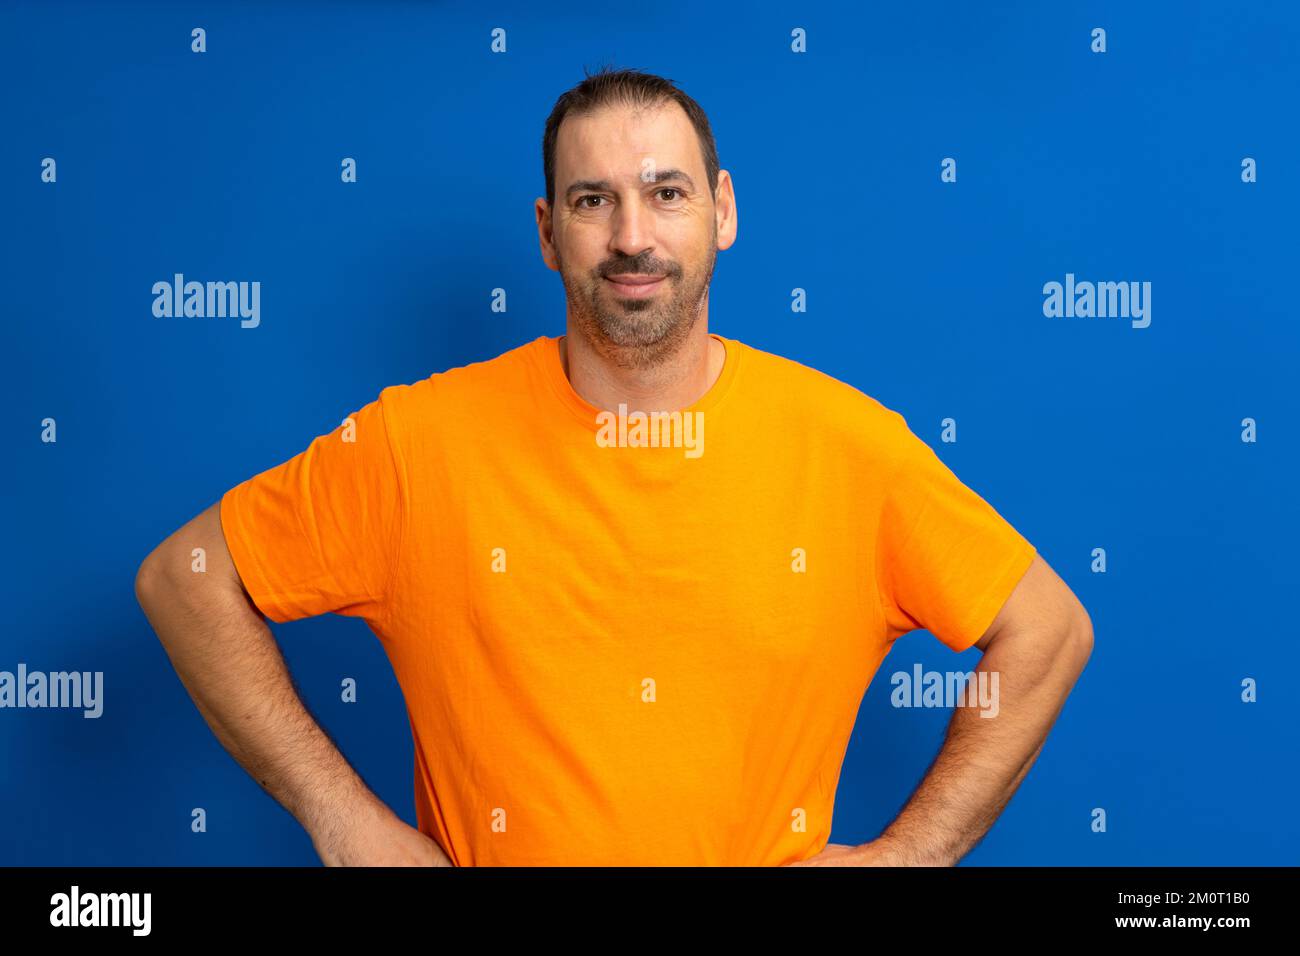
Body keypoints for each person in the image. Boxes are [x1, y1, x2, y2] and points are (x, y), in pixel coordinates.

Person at [135, 66, 1093, 867]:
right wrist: (342, 823)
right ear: (549, 232)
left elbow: (1047, 630)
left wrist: (904, 858)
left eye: (666, 193)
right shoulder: (415, 444)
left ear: (721, 212)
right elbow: (186, 580)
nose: (633, 236)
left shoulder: (848, 447)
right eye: (596, 201)